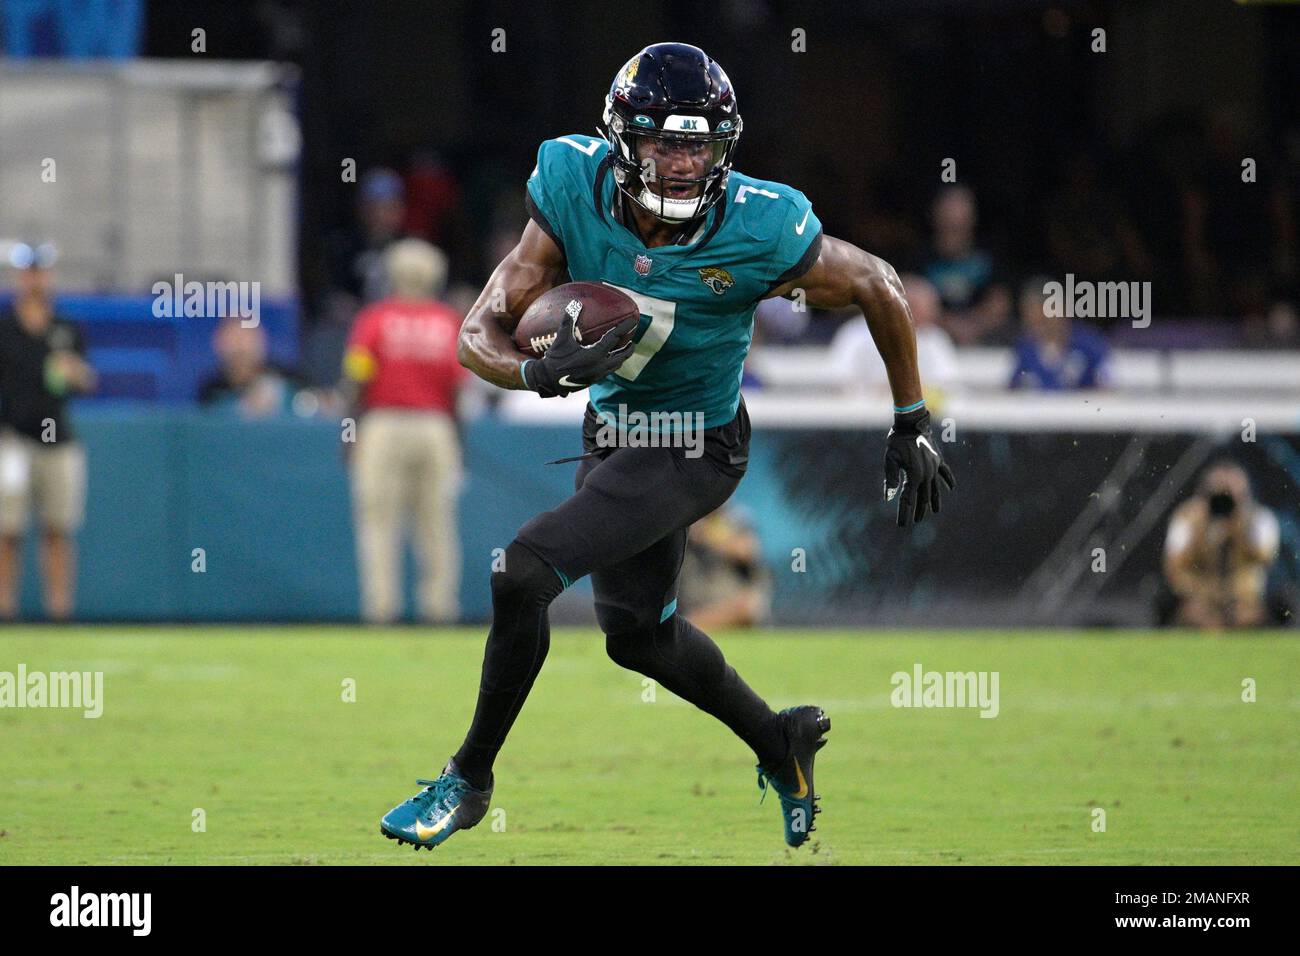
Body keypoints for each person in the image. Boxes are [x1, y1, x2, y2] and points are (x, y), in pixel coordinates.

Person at [379, 43, 956, 852]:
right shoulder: (571, 185)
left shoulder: (761, 222)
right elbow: (478, 333)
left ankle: (468, 780)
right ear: (623, 140)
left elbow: (878, 284)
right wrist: (537, 373)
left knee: (521, 573)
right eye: (663, 142)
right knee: (638, 638)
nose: (683, 163)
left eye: (699, 143)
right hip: (615, 433)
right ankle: (777, 740)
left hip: (697, 443)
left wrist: (909, 419)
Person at [343, 239, 465, 624]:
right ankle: (439, 607)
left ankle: (382, 608)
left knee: (379, 521)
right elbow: (458, 390)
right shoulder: (447, 322)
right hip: (435, 427)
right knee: (437, 523)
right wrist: (459, 440)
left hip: (383, 425)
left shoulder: (374, 319)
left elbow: (356, 380)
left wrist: (348, 432)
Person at [0, 242, 96, 620]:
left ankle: (60, 611)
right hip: (11, 440)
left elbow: (88, 379)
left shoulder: (66, 328)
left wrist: (77, 373)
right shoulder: (5, 329)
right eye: (28, 271)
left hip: (57, 440)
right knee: (7, 529)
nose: (35, 279)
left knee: (59, 527)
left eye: (41, 271)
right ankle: (4, 608)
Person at [1159, 460, 1286, 630]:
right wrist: (1199, 530)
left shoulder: (1259, 518)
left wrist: (1238, 531)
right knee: (1193, 615)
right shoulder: (1188, 518)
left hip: (1244, 595)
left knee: (1249, 617)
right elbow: (1173, 566)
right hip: (1199, 593)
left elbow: (1267, 559)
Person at [830, 273, 959, 410]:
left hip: (916, 420)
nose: (924, 315)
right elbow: (839, 383)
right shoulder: (855, 333)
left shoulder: (934, 338)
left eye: (928, 309)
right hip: (859, 420)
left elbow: (947, 383)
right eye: (915, 307)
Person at [678, 505, 772, 630]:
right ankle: (691, 627)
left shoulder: (737, 517)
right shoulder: (684, 517)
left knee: (750, 605)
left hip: (728, 601)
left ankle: (693, 627)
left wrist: (706, 533)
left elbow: (744, 550)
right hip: (693, 602)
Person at [1008, 278, 1111, 390]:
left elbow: (1106, 389)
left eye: (1043, 319)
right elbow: (1014, 389)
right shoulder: (1026, 349)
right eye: (1030, 318)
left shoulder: (1088, 344)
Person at [197, 316, 304, 418]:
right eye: (234, 339)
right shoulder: (211, 391)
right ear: (218, 344)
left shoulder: (287, 377)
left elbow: (315, 400)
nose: (241, 347)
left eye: (247, 338)